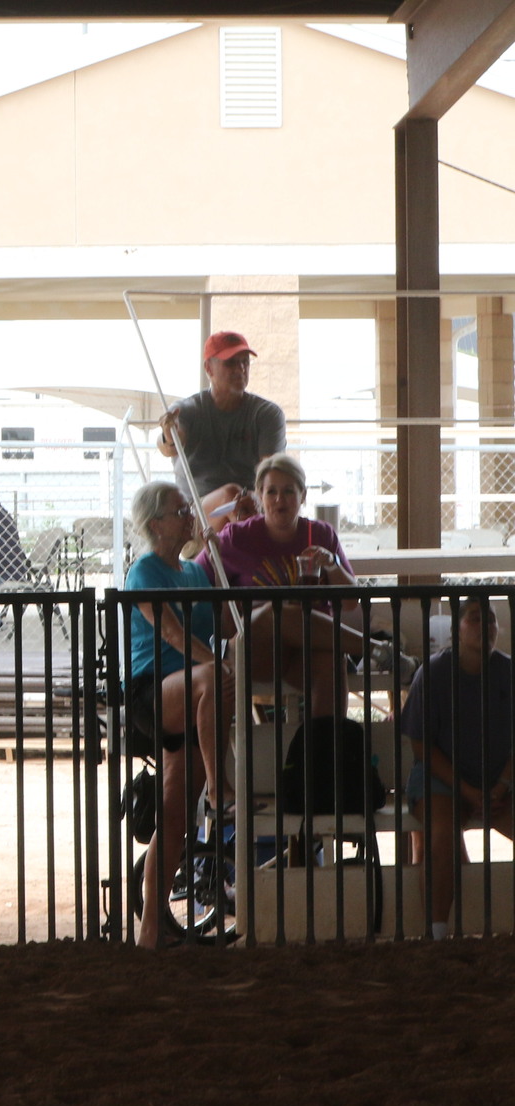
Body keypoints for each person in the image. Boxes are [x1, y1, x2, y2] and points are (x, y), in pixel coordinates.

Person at [124, 480, 231, 949]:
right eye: (179, 510)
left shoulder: (196, 571)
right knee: (212, 678)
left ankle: (151, 928)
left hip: (198, 698)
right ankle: (219, 785)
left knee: (173, 815)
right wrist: (212, 664)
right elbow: (167, 630)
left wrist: (225, 564)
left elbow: (226, 621)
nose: (189, 515)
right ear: (155, 525)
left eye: (187, 508)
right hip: (157, 691)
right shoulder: (143, 570)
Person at [204, 453, 369, 717]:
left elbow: (351, 602)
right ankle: (376, 650)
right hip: (254, 652)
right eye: (271, 492)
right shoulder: (236, 537)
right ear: (259, 495)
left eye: (289, 492)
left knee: (331, 662)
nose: (280, 500)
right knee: (277, 611)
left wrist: (331, 564)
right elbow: (194, 578)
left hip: (304, 653)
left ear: (302, 496)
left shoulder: (322, 534)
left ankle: (323, 751)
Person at [399, 596, 515, 940]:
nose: (486, 627)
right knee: (441, 834)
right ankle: (437, 935)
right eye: (476, 619)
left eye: (491, 619)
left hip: (499, 781)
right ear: (456, 629)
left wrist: (501, 785)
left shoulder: (508, 671)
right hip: (442, 778)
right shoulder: (433, 672)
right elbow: (421, 746)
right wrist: (468, 791)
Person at [157, 330, 287, 533]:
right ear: (208, 368)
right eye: (230, 363)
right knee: (232, 495)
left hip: (253, 504)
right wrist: (169, 432)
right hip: (194, 514)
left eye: (245, 362)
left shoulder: (267, 414)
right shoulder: (187, 410)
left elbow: (272, 472)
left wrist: (257, 498)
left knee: (248, 500)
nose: (240, 369)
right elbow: (170, 445)